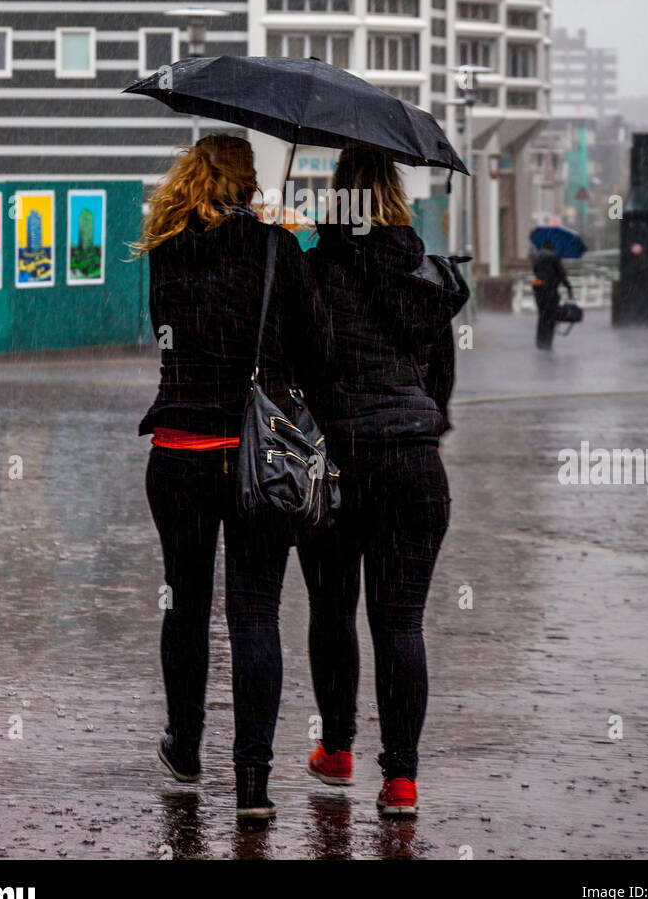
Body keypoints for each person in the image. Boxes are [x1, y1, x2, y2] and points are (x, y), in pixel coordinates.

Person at [132, 133, 328, 821]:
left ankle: (184, 747)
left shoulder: (166, 247)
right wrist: (277, 254)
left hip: (179, 449)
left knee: (183, 605)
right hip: (254, 458)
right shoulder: (274, 250)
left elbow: (166, 333)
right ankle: (252, 785)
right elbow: (315, 345)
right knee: (254, 613)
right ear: (249, 184)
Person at [297, 142, 467, 818]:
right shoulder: (426, 276)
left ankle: (336, 750)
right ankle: (400, 781)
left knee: (333, 610)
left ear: (337, 196)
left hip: (339, 463)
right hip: (415, 465)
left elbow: (298, 368)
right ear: (395, 196)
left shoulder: (312, 271)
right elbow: (443, 385)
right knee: (401, 623)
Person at [531, 238, 573, 349]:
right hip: (550, 290)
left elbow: (535, 271)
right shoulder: (554, 257)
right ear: (552, 247)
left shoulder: (537, 257)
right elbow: (562, 274)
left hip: (538, 289)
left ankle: (540, 342)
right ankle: (547, 343)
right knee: (550, 317)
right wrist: (569, 288)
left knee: (542, 316)